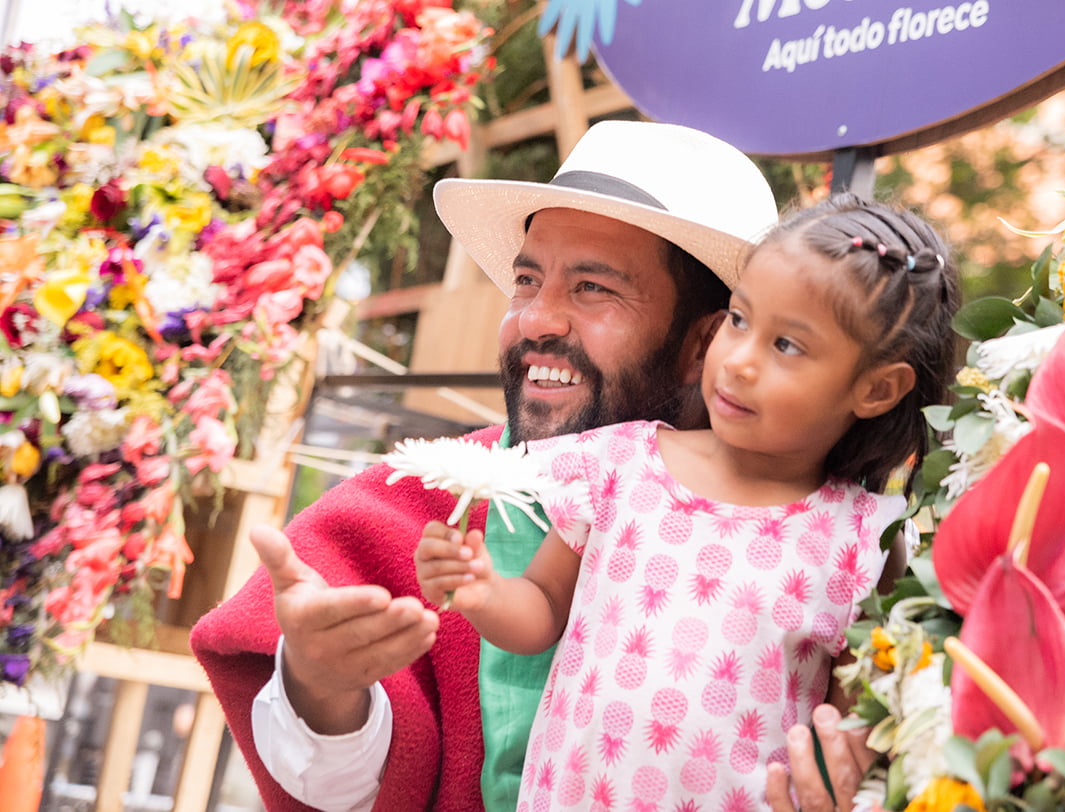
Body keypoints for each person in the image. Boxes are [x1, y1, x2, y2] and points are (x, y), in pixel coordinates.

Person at [189, 119, 780, 812]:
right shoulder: (409, 503)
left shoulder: (803, 546)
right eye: (526, 281)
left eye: (593, 288)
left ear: (705, 343)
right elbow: (336, 794)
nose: (535, 320)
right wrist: (322, 684)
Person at [413, 193, 960, 809]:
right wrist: (484, 591)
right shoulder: (621, 464)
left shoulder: (863, 543)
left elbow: (843, 743)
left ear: (876, 388)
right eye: (741, 321)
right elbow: (541, 608)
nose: (741, 361)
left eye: (787, 346)